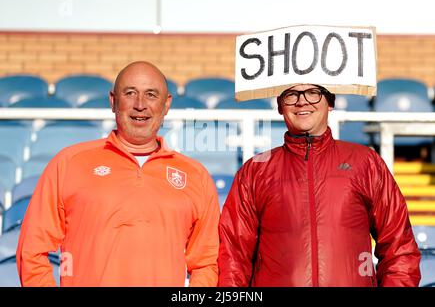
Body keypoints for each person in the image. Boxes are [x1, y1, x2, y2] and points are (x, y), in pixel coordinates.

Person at [16, 61, 220, 287]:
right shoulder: (69, 163)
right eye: (130, 93)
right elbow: (32, 250)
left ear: (166, 104)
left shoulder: (195, 175)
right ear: (113, 101)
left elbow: (207, 263)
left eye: (151, 95)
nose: (140, 105)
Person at [218, 84, 421, 287]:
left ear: (330, 102)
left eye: (313, 93)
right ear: (280, 105)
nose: (302, 101)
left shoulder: (365, 162)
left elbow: (399, 247)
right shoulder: (255, 170)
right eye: (291, 94)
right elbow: (234, 256)